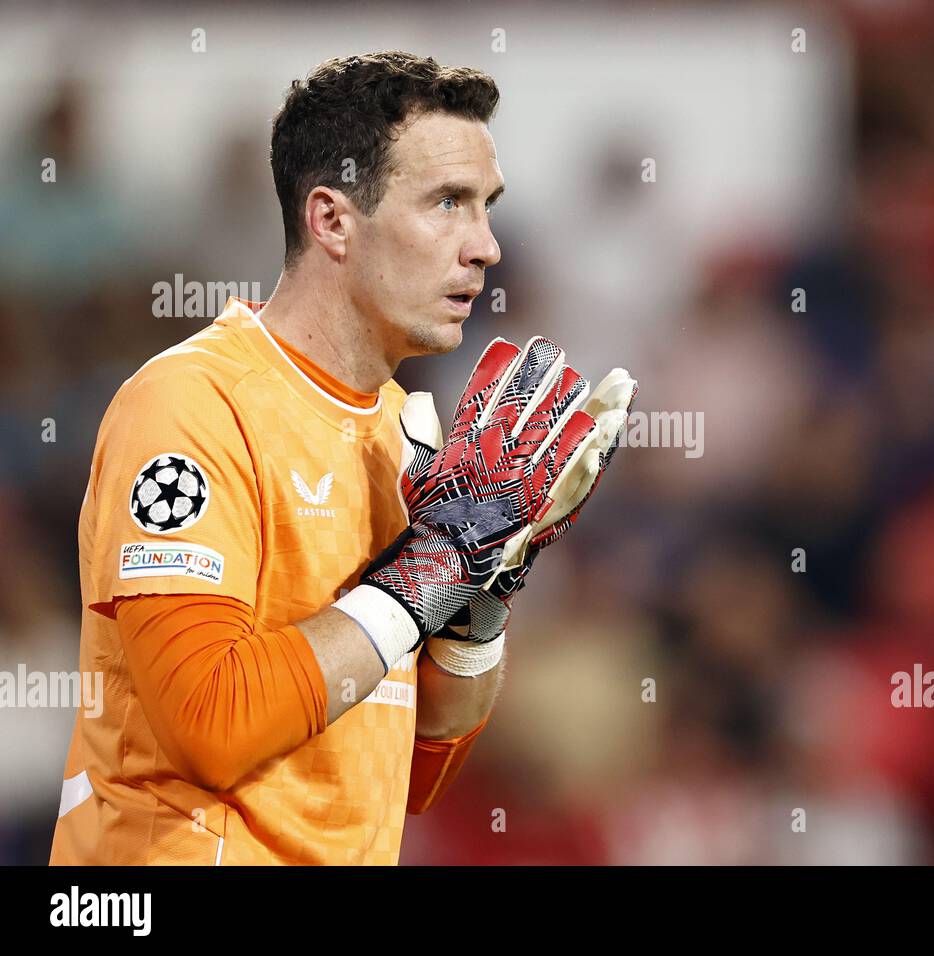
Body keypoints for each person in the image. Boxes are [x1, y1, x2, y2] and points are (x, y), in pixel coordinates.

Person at [49, 51, 632, 865]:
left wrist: (483, 595)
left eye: (487, 207)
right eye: (447, 203)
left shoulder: (411, 439)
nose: (486, 247)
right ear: (331, 220)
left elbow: (418, 768)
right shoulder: (190, 405)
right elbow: (213, 724)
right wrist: (431, 567)